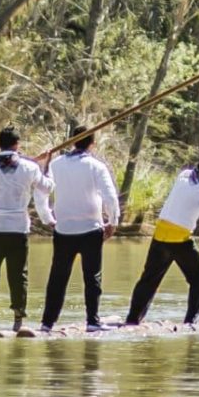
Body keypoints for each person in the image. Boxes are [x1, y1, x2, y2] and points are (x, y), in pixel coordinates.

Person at [0, 126, 54, 334]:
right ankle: (18, 322)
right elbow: (47, 187)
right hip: (17, 229)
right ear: (17, 144)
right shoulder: (30, 168)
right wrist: (46, 166)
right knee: (18, 274)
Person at [125, 148, 199, 327]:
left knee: (149, 279)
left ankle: (132, 318)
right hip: (180, 240)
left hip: (160, 234)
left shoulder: (184, 176)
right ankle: (190, 321)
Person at [40, 122, 120, 332]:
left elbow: (42, 192)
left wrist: (47, 217)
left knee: (58, 277)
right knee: (92, 277)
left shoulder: (56, 164)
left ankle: (47, 323)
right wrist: (113, 221)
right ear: (92, 143)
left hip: (64, 229)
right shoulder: (96, 166)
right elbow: (110, 196)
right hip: (90, 229)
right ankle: (92, 321)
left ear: (73, 141)